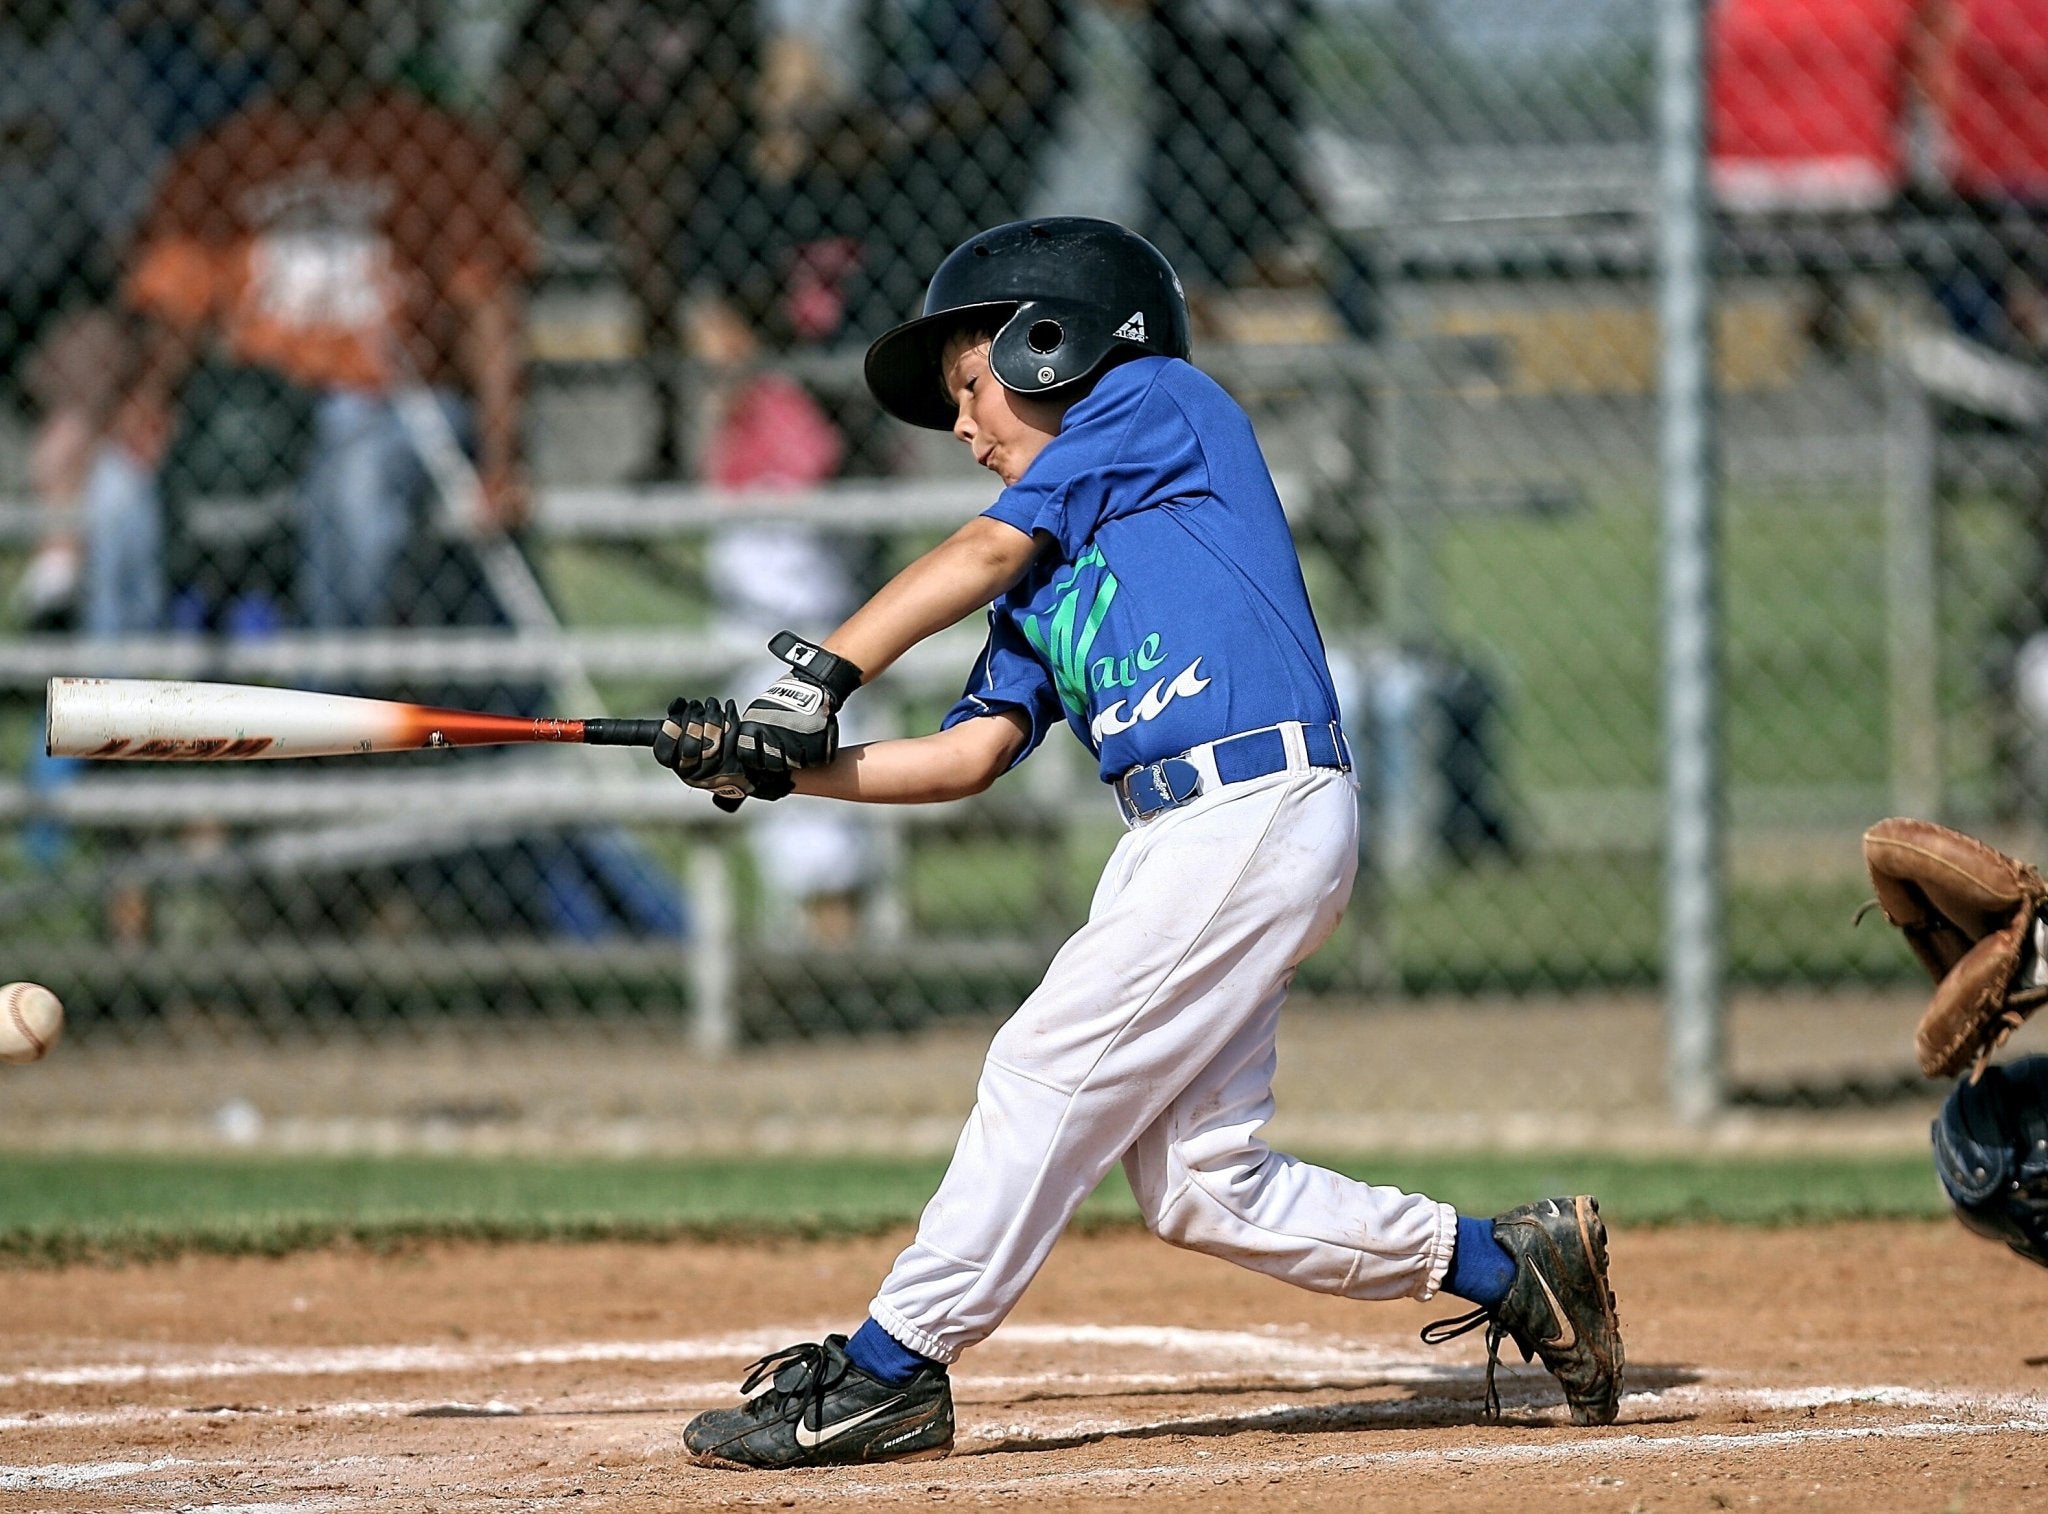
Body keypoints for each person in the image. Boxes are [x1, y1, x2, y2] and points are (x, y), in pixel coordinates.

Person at [651, 218, 1625, 1468]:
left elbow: (979, 544)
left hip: (1249, 806)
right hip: (1187, 835)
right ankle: (1509, 1262)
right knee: (1200, 1186)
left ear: (1052, 343)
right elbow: (965, 756)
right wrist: (780, 764)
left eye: (971, 384)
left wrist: (818, 671)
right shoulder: (1038, 571)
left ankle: (890, 1368)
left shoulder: (1158, 400)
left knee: (1040, 1067)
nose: (961, 426)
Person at [77, 0, 537, 635]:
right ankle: (113, 719)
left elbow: (488, 305)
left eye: (334, 12)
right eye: (296, 12)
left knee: (355, 482)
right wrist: (150, 404)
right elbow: (176, 304)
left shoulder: (436, 144)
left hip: (389, 403)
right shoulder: (225, 151)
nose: (315, 26)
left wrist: (502, 458)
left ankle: (332, 708)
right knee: (116, 490)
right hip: (254, 408)